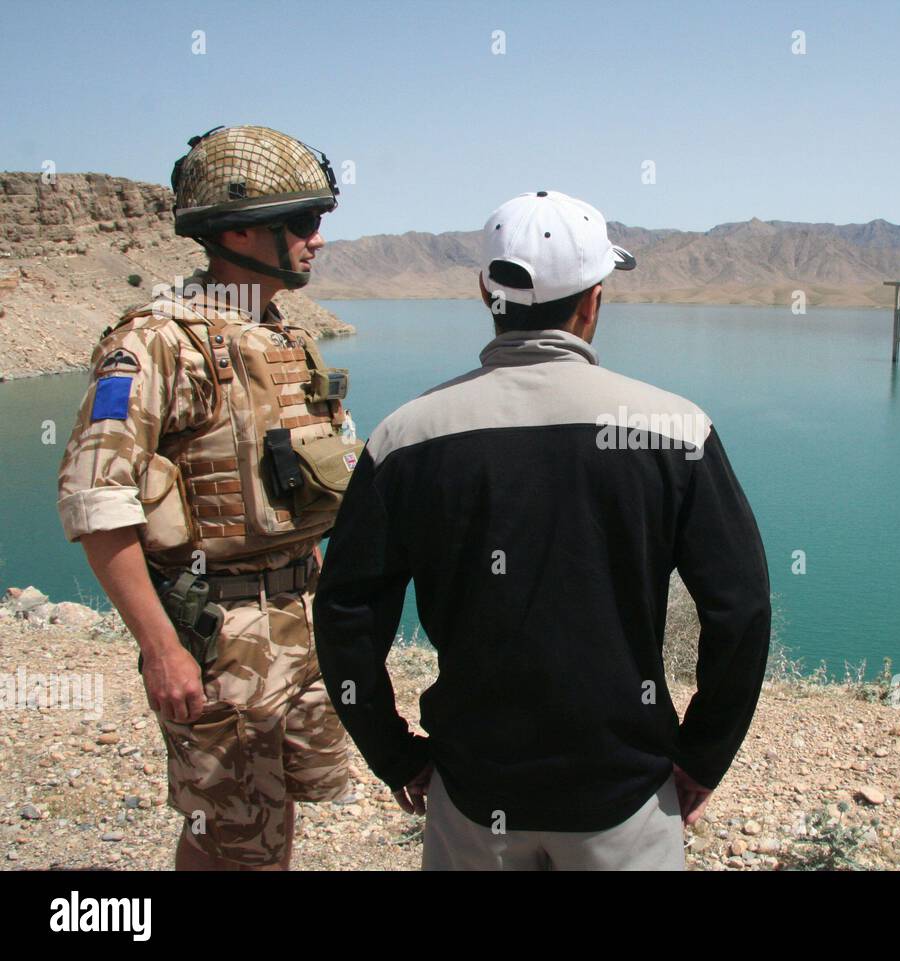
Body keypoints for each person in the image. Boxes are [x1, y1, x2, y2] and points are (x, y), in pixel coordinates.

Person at [313, 189, 771, 870]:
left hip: (471, 794)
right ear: (593, 301)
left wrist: (394, 753)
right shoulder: (676, 430)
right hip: (626, 795)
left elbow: (345, 612)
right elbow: (742, 608)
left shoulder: (404, 437)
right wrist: (704, 754)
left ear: (485, 292)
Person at [56, 125, 364, 870]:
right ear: (235, 232)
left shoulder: (277, 336)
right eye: (302, 222)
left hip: (296, 617)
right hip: (219, 630)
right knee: (225, 831)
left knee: (267, 819)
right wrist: (162, 649)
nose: (318, 240)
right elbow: (97, 500)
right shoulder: (156, 344)